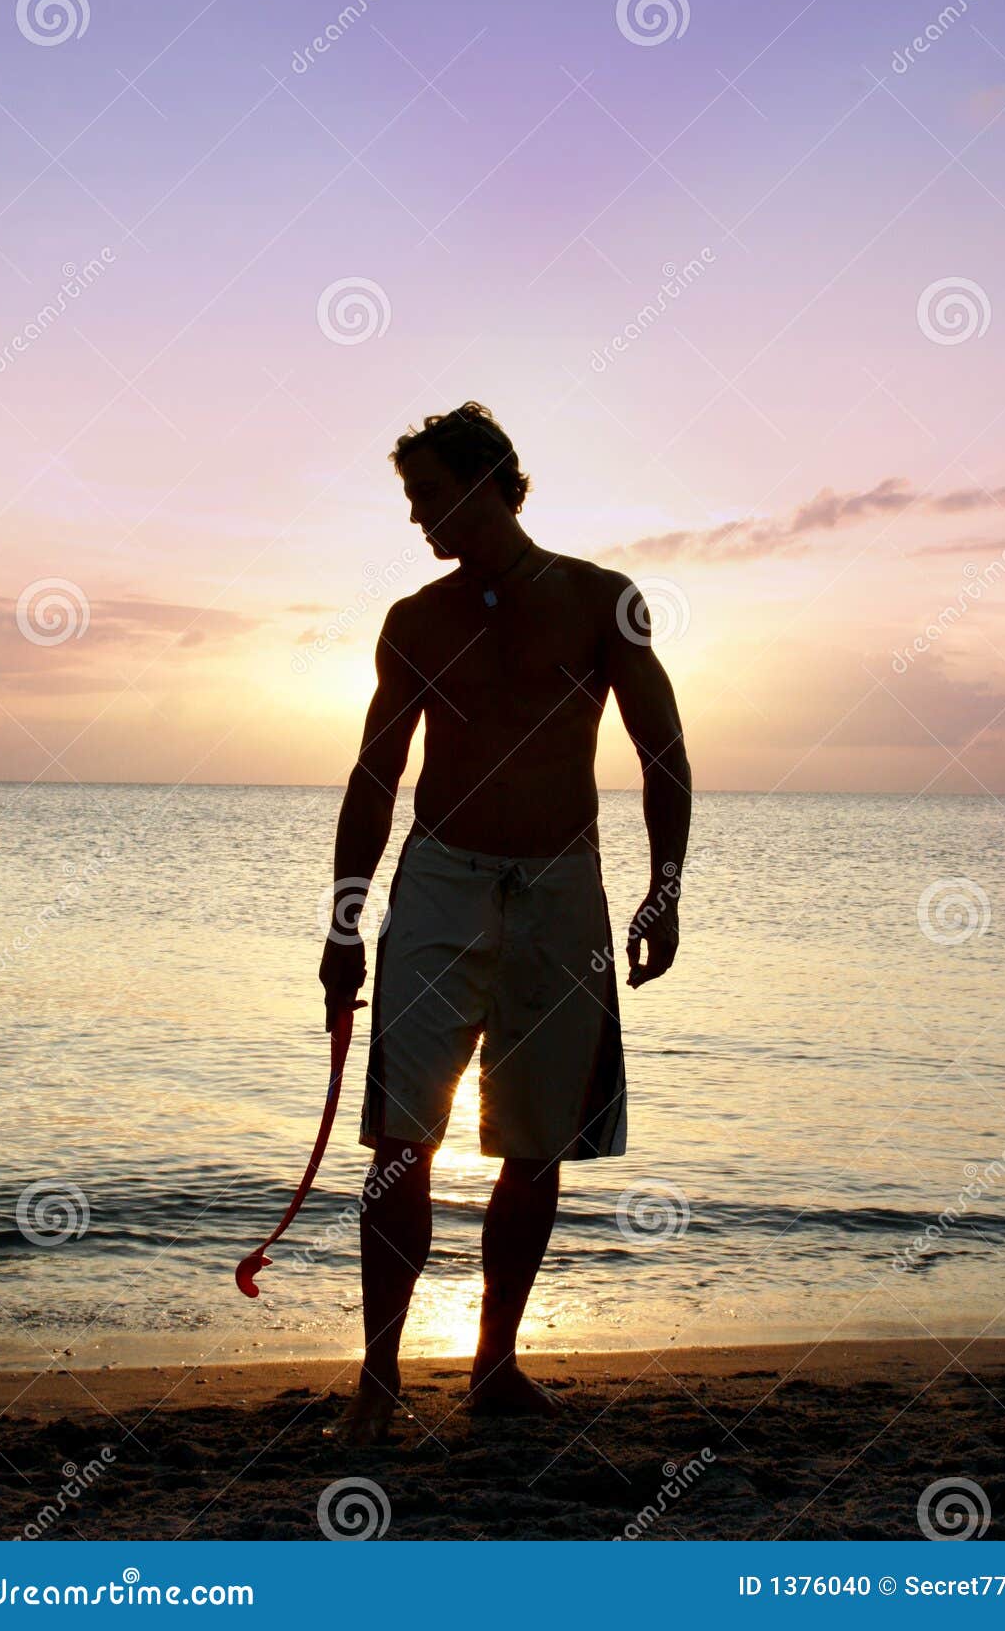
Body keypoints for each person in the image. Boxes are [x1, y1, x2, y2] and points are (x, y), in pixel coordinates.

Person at [319, 402, 691, 1444]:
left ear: (489, 481)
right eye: (410, 498)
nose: (417, 517)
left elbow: (660, 750)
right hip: (439, 878)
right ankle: (379, 1379)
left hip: (561, 883)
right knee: (401, 1138)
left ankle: (492, 1365)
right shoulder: (415, 620)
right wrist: (346, 920)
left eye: (429, 494)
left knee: (537, 1142)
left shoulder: (600, 600)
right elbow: (374, 771)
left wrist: (663, 888)